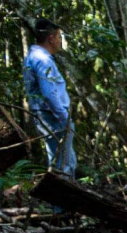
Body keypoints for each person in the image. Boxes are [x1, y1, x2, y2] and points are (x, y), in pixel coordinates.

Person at [23, 18, 77, 178]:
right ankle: (61, 203)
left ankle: (64, 202)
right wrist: (63, 117)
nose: (61, 41)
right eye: (59, 37)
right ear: (51, 38)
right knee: (63, 167)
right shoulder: (42, 60)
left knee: (64, 163)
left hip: (48, 116)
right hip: (54, 118)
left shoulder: (34, 56)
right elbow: (49, 93)